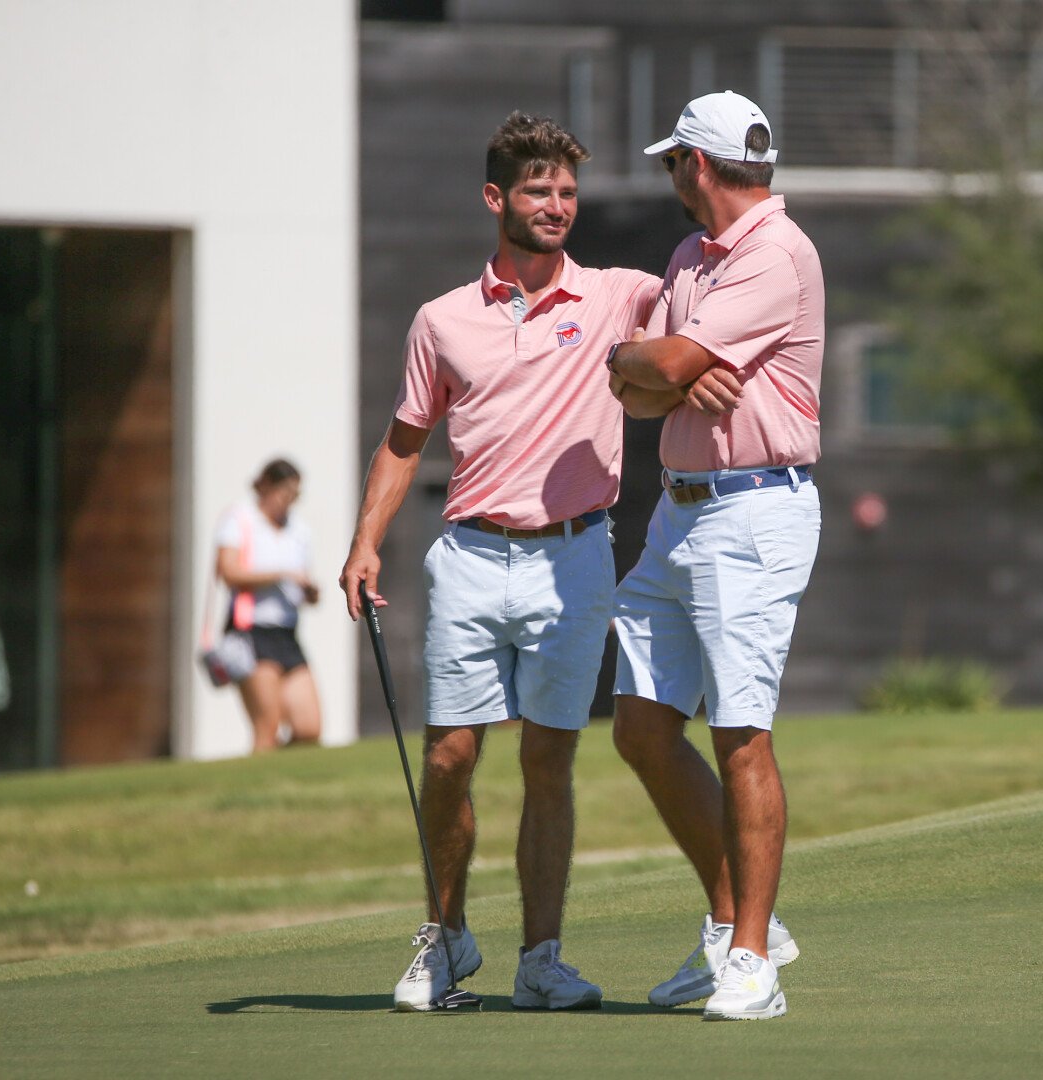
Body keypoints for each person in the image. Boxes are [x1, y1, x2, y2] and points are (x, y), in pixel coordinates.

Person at [338, 112, 661, 1013]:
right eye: (537, 190)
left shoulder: (616, 295)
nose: (556, 205)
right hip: (472, 556)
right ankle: (446, 940)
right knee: (448, 758)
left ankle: (542, 959)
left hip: (576, 557)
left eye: (566, 191)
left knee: (549, 763)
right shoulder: (441, 320)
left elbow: (702, 302)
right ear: (497, 198)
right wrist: (365, 541)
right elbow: (404, 442)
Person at [605, 90, 824, 1022]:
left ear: (697, 165)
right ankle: (737, 919)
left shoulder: (779, 253)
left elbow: (657, 370)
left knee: (741, 734)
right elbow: (640, 385)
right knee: (641, 728)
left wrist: (660, 362)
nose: (672, 180)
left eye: (672, 164)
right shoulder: (690, 258)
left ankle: (752, 962)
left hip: (755, 513)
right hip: (678, 514)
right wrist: (650, 359)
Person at [215, 458, 324, 753]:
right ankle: (258, 790)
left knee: (309, 728)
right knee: (268, 726)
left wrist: (310, 592)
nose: (288, 502)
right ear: (266, 487)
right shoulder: (240, 519)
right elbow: (229, 571)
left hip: (286, 632)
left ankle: (284, 779)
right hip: (251, 630)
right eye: (284, 494)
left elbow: (301, 581)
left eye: (294, 496)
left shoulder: (298, 530)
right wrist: (279, 574)